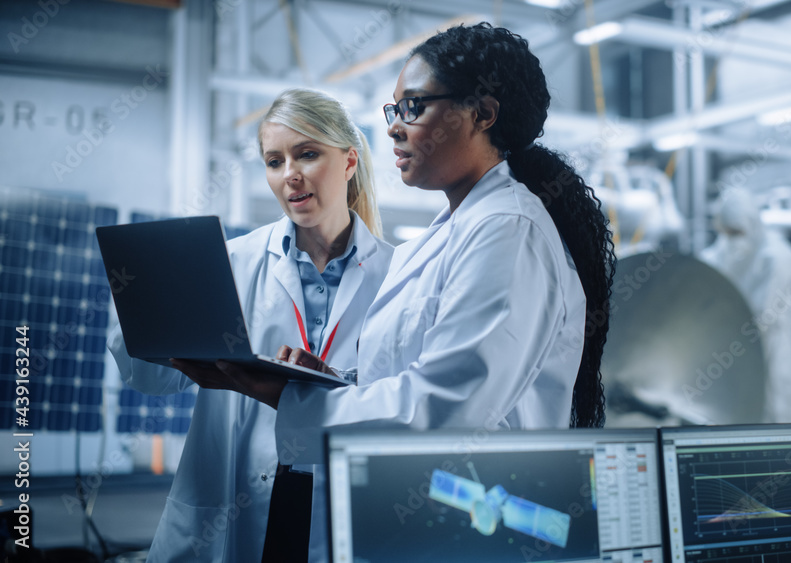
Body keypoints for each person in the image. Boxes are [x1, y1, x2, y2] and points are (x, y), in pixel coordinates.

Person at [187, 23, 616, 558]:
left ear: (483, 113)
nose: (394, 128)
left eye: (413, 106)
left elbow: (445, 410)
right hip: (420, 520)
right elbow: (404, 379)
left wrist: (281, 393)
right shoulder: (441, 238)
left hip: (480, 525)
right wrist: (332, 385)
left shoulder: (510, 230)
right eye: (394, 111)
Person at [107, 88, 393, 562]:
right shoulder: (229, 263)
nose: (290, 176)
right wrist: (144, 312)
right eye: (274, 161)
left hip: (343, 494)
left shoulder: (399, 275)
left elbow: (407, 398)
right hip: (235, 496)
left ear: (348, 161)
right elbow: (153, 378)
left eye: (307, 154)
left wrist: (339, 384)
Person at [700, 187, 791, 423]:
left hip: (774, 351)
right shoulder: (719, 253)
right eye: (728, 232)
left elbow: (763, 315)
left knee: (775, 417)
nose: (733, 239)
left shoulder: (777, 256)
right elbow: (705, 277)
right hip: (731, 352)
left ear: (753, 224)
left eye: (738, 232)